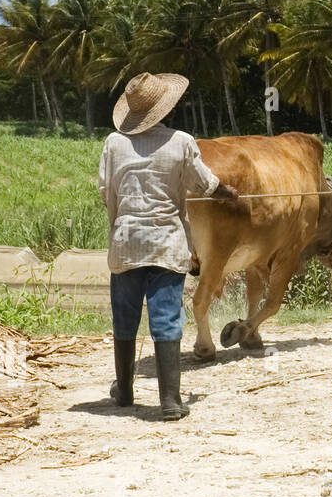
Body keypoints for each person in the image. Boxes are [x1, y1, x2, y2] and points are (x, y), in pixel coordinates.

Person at [98, 73, 237, 420]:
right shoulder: (182, 141)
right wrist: (227, 194)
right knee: (166, 317)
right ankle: (171, 401)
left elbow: (106, 192)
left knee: (124, 317)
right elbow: (206, 184)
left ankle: (125, 390)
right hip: (166, 244)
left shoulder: (114, 143)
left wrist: (123, 223)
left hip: (126, 243)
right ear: (167, 109)